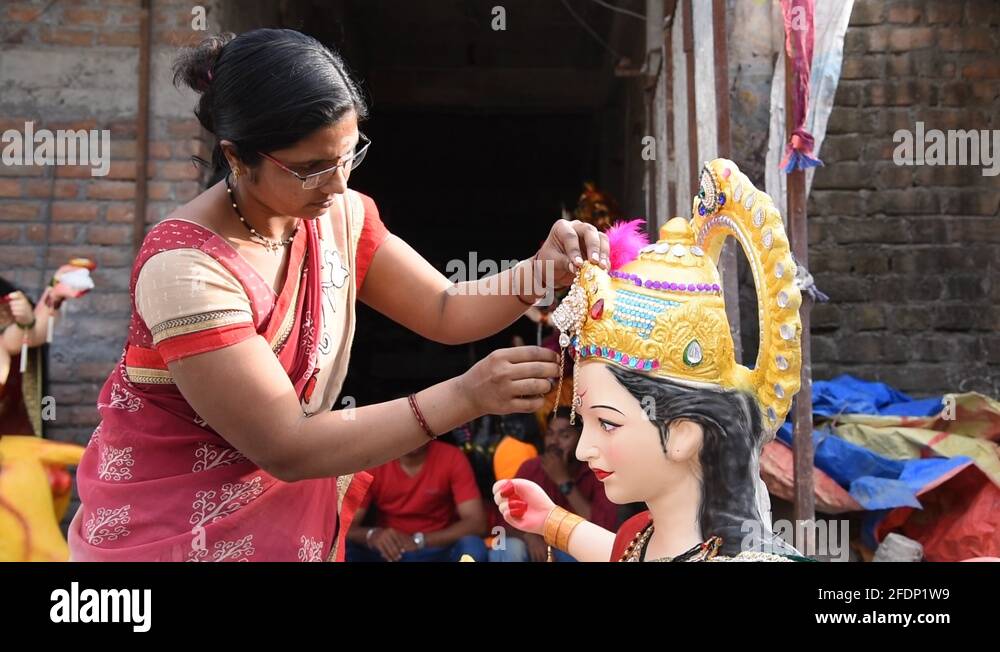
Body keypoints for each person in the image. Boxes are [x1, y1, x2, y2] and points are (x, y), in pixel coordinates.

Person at [68, 28, 610, 562]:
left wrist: (540, 270)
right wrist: (467, 396)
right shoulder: (185, 269)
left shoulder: (338, 216)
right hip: (167, 535)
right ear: (237, 157)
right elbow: (288, 445)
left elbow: (446, 308)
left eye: (347, 156)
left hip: (284, 531)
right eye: (309, 169)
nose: (335, 184)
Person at [494, 160, 810, 562]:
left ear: (683, 433)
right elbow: (620, 551)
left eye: (607, 423)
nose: (581, 450)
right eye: (586, 421)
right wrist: (547, 518)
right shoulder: (641, 534)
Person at [346, 441, 487, 562]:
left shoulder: (452, 457)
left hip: (438, 548)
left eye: (418, 426)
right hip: (388, 552)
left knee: (473, 546)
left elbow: (476, 524)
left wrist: (420, 541)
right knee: (344, 547)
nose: (412, 434)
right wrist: (372, 535)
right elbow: (343, 526)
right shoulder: (374, 461)